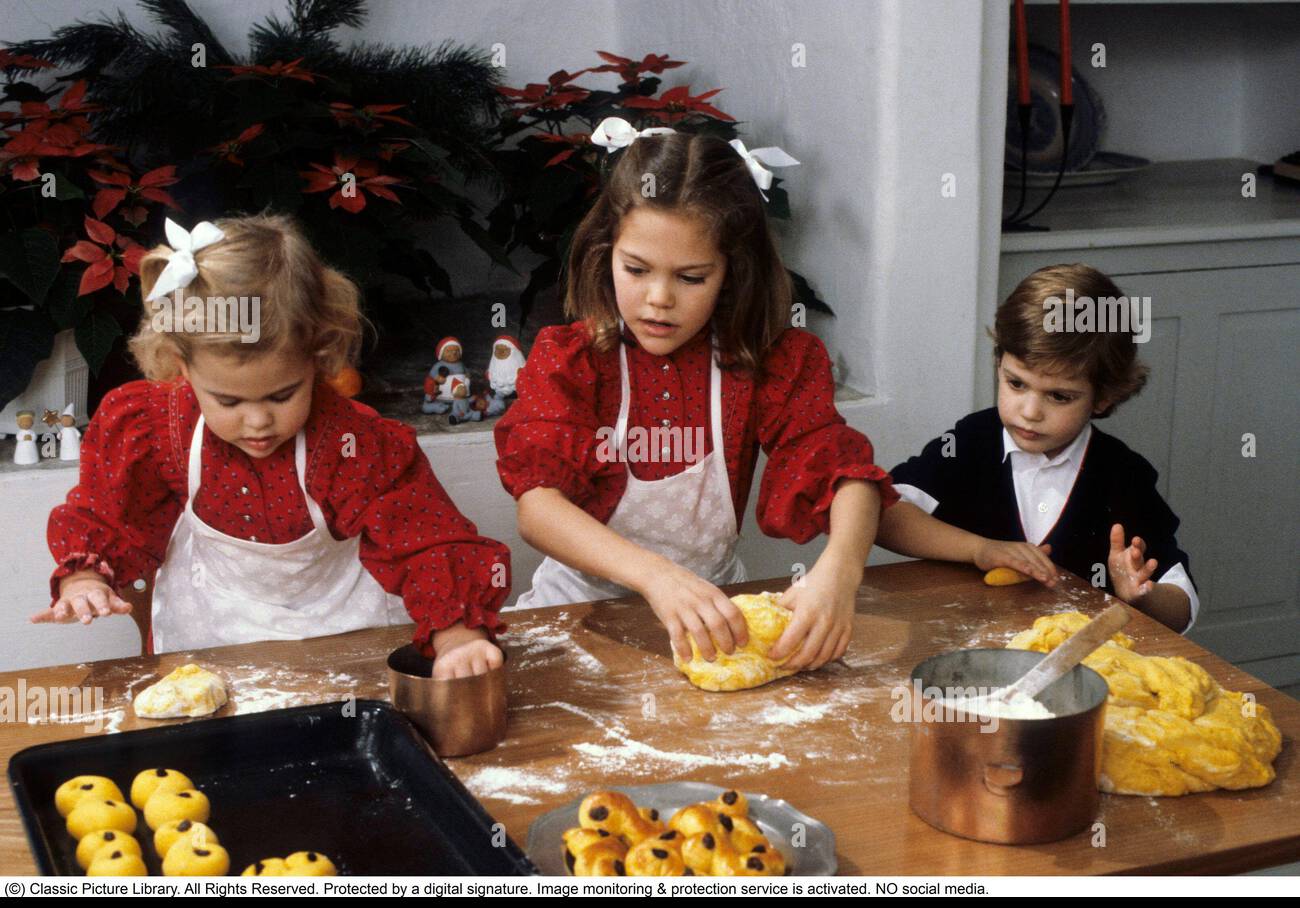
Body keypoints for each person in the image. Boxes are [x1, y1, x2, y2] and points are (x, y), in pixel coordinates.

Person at [34, 214, 509, 677]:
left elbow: (424, 542)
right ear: (181, 364)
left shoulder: (351, 443)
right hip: (209, 643)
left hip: (350, 646)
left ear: (318, 355)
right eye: (228, 400)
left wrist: (457, 635)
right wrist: (84, 577)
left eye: (283, 395)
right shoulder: (158, 426)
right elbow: (108, 516)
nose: (258, 421)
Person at [495, 122, 897, 670]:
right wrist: (658, 578)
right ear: (605, 250)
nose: (658, 299)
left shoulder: (768, 361)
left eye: (691, 278)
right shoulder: (573, 359)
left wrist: (840, 574)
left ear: (733, 273)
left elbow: (842, 470)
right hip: (575, 615)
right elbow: (539, 509)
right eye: (635, 269)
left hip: (712, 620)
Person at [877, 263, 1197, 633]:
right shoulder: (969, 442)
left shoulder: (1124, 475)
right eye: (1016, 384)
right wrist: (980, 549)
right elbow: (883, 513)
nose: (1029, 412)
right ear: (999, 364)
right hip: (966, 659)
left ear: (1103, 397)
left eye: (1059, 396)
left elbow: (1182, 605)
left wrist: (1143, 595)